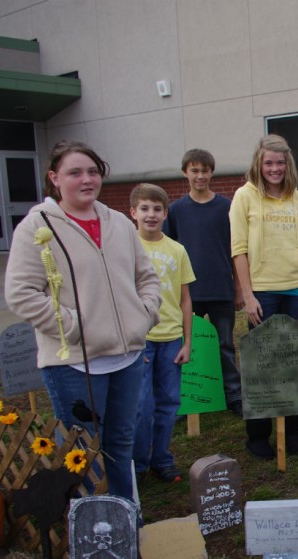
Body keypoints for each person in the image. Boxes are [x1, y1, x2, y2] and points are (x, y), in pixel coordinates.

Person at [5, 140, 161, 502]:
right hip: (74, 363)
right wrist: (72, 326)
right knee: (85, 451)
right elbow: (21, 293)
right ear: (54, 178)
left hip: (127, 358)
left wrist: (144, 314)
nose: (86, 179)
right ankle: (93, 528)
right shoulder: (37, 227)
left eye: (93, 171)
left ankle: (126, 518)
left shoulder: (119, 222)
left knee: (121, 444)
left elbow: (147, 277)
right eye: (75, 172)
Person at [230, 134, 298, 460]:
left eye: (280, 162)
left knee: (297, 363)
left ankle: (294, 429)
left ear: (288, 164)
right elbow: (238, 250)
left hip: (297, 290)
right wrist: (248, 295)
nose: (275, 168)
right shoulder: (244, 197)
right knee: (262, 366)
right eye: (269, 162)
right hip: (262, 293)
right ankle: (257, 435)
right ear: (259, 163)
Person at [165, 149, 243, 415]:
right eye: (194, 170)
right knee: (187, 344)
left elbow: (237, 249)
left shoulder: (226, 207)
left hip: (221, 288)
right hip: (189, 292)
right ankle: (186, 396)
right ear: (185, 172)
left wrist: (239, 288)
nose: (200, 176)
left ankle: (233, 395)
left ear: (212, 172)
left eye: (205, 170)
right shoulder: (175, 210)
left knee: (225, 345)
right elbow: (169, 252)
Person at [131, 184, 196, 483]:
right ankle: (139, 462)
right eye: (144, 208)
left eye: (157, 209)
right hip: (140, 340)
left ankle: (162, 457)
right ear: (133, 213)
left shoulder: (177, 250)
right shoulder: (127, 247)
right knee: (142, 406)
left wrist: (188, 340)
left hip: (171, 339)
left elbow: (185, 299)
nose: (151, 214)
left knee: (169, 403)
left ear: (165, 213)